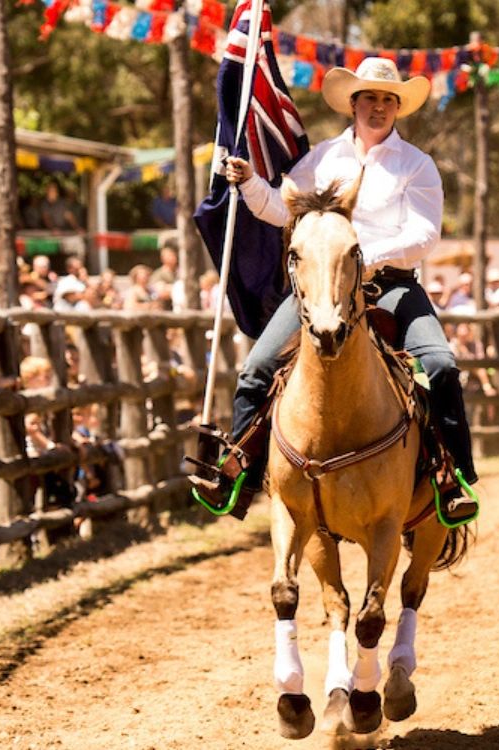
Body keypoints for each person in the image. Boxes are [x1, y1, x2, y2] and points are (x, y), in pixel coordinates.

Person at [196, 57, 478, 523]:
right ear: (353, 103)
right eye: (370, 97)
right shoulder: (324, 158)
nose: (379, 107)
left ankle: (454, 477)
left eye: (389, 99)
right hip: (324, 286)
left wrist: (365, 255)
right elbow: (282, 209)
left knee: (441, 365)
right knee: (256, 368)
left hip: (392, 287)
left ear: (398, 108)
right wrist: (247, 183)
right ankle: (240, 474)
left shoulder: (417, 165)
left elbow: (426, 234)